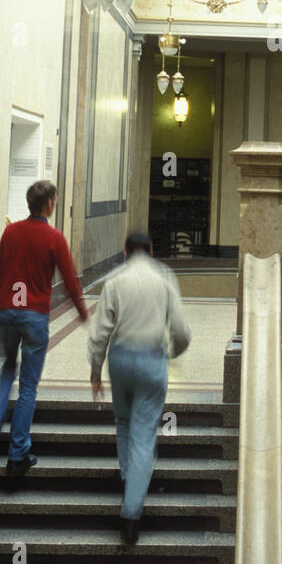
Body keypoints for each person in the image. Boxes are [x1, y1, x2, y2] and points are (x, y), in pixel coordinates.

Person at [88, 231, 190, 547]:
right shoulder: (164, 277)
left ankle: (129, 480)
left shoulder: (115, 279)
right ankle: (131, 515)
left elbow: (99, 332)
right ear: (151, 249)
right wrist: (171, 354)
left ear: (125, 250)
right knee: (144, 433)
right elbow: (181, 331)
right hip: (151, 360)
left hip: (119, 359)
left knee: (123, 422)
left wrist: (95, 371)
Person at [0, 180, 90, 474]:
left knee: (6, 368)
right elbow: (70, 280)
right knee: (28, 387)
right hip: (34, 317)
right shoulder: (54, 238)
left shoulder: (11, 231)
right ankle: (17, 454)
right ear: (50, 204)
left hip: (7, 313)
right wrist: (83, 313)